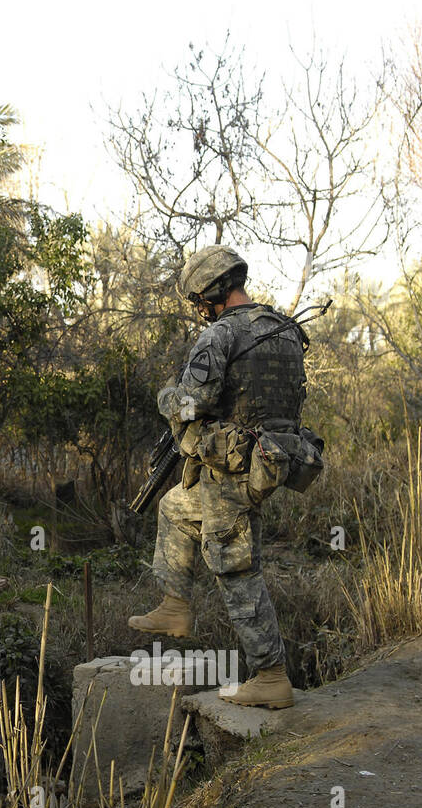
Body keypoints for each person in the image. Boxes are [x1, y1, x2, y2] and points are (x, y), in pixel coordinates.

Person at [130, 245, 309, 709]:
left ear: (211, 293)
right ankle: (175, 606)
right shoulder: (284, 329)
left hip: (234, 464)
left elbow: (192, 402)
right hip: (271, 461)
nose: (199, 311)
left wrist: (166, 397)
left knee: (232, 563)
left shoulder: (222, 335)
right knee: (175, 507)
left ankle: (270, 674)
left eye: (198, 302)